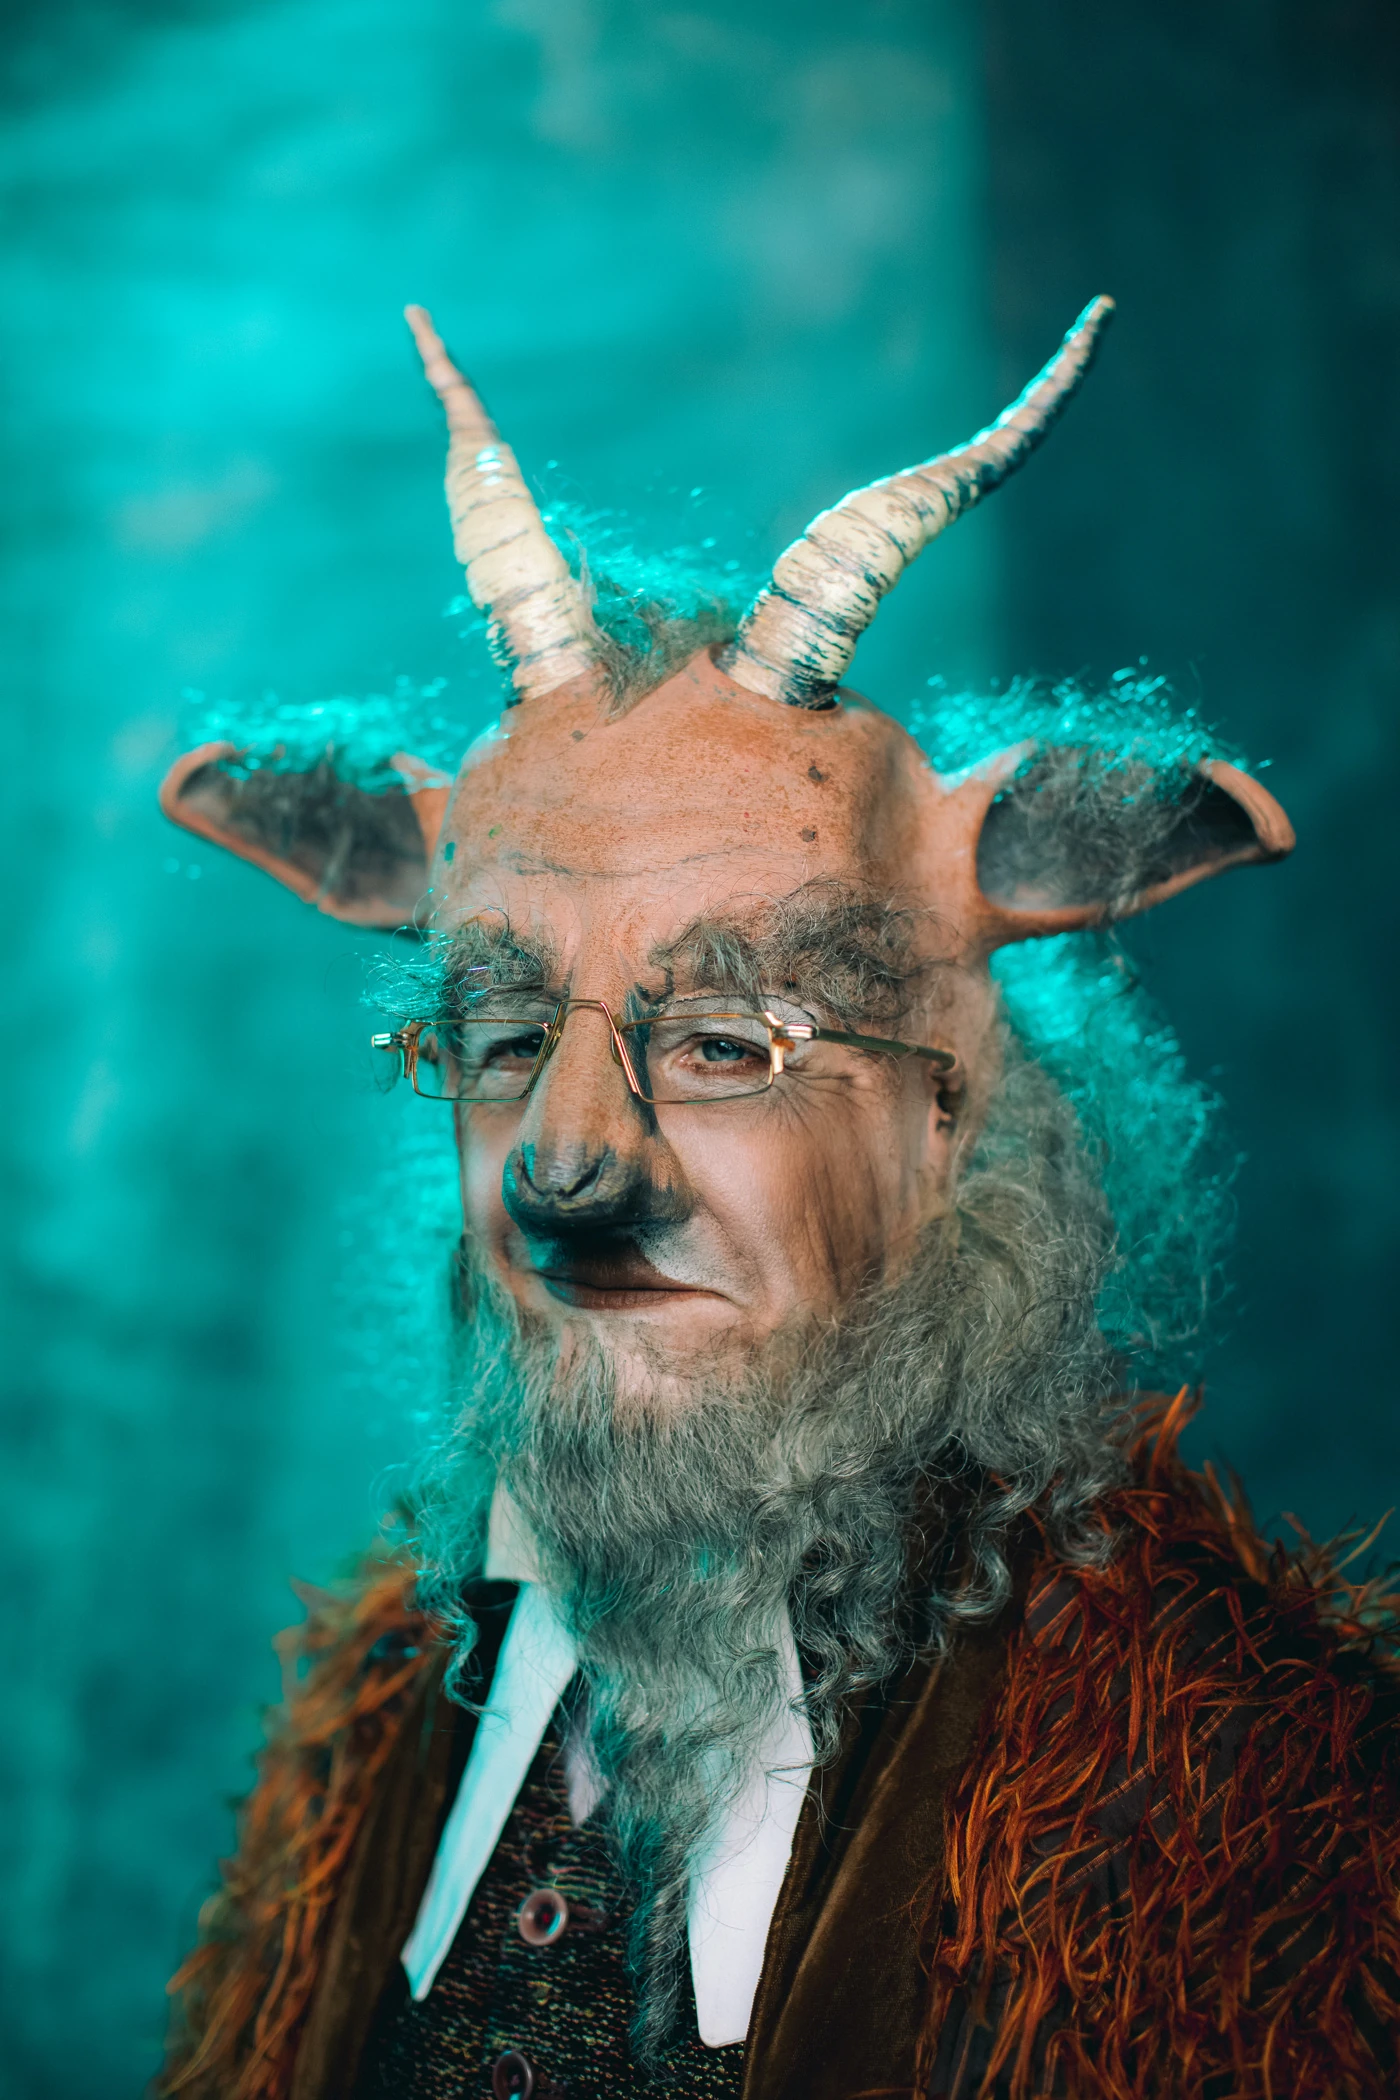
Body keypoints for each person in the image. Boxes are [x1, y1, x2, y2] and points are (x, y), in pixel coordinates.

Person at [156, 299, 1400, 2100]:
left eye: (728, 1041)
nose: (568, 1166)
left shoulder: (1239, 1821)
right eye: (502, 1035)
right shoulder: (370, 1726)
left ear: (943, 1109)